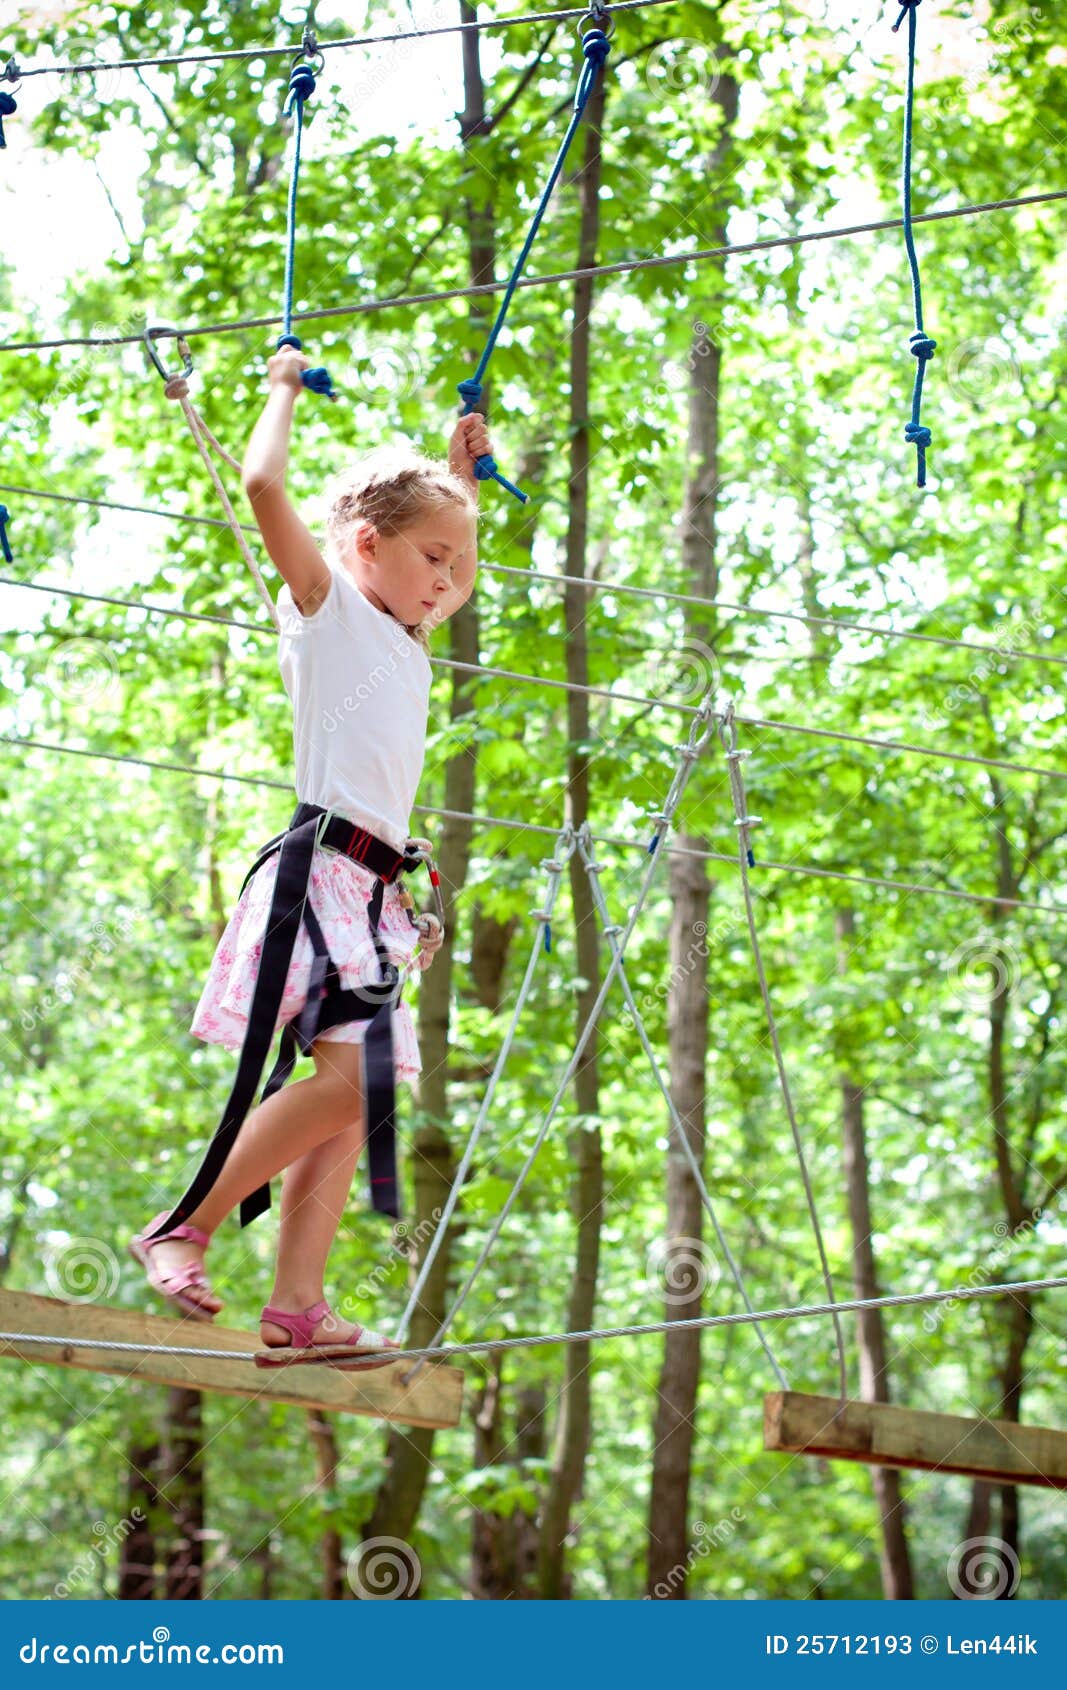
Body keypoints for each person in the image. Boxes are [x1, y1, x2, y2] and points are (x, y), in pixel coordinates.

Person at [129, 345, 491, 1366]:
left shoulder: (408, 634)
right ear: (366, 546)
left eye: (457, 565)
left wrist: (460, 483)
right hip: (321, 872)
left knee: (359, 1090)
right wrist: (278, 383)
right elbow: (260, 484)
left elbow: (449, 575)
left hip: (374, 891)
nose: (449, 583)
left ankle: (297, 1303)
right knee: (342, 1085)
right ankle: (185, 1220)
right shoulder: (328, 607)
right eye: (432, 559)